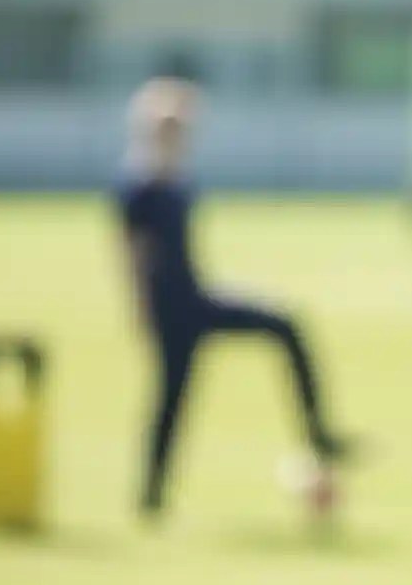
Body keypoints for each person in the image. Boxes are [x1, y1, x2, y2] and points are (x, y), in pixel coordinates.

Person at [115, 76, 351, 520]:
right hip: (169, 311)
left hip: (196, 299)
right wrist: (141, 313)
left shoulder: (177, 180)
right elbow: (131, 256)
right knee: (172, 399)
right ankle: (150, 497)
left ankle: (320, 435)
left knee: (284, 325)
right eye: (172, 127)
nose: (181, 136)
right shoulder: (139, 185)